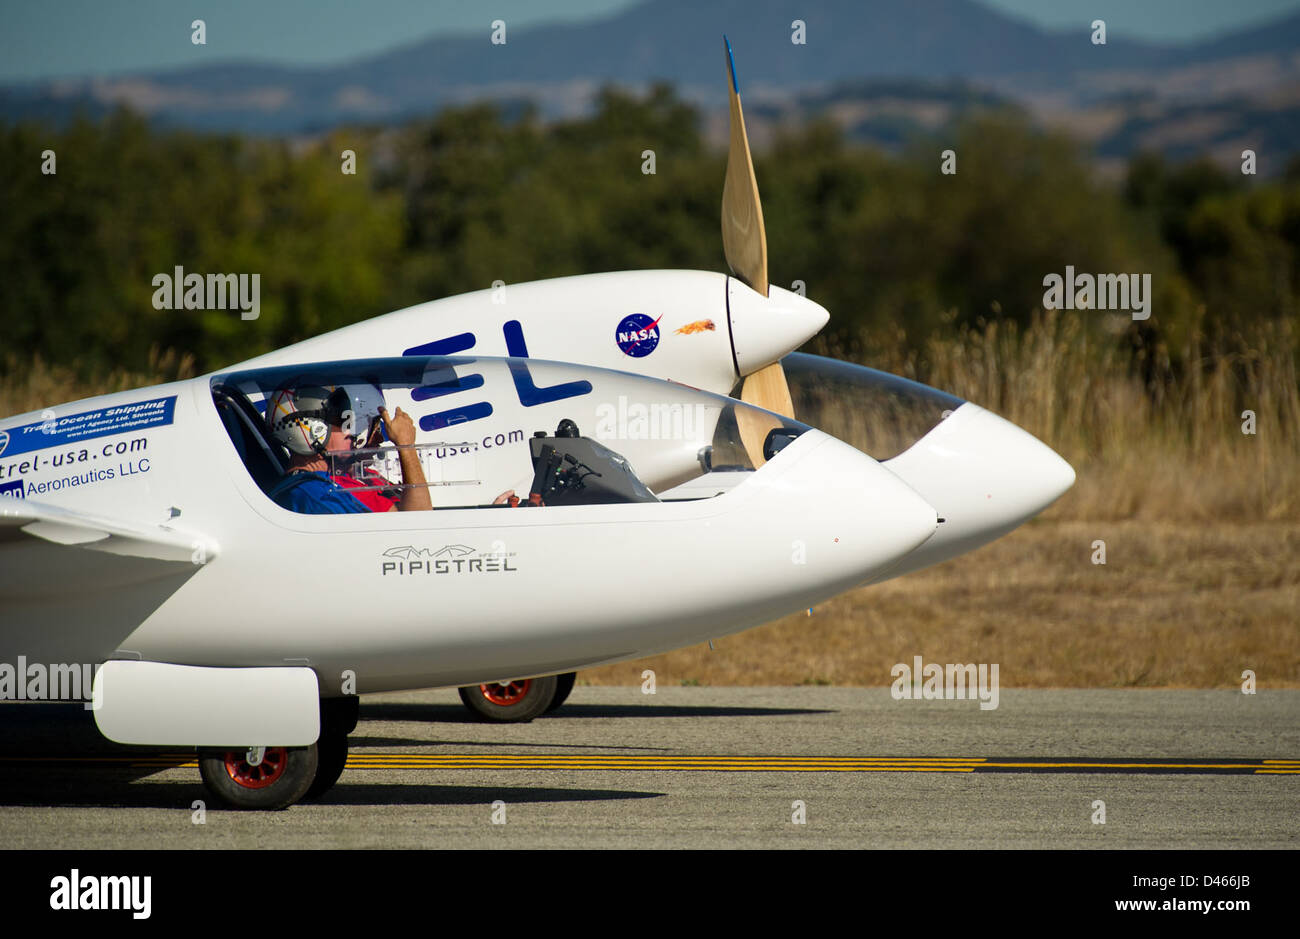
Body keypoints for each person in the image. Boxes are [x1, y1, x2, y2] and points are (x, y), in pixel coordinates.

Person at [265, 385, 433, 514]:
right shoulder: (316, 493)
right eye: (344, 423)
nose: (352, 432)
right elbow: (416, 524)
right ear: (311, 430)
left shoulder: (342, 480)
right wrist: (406, 446)